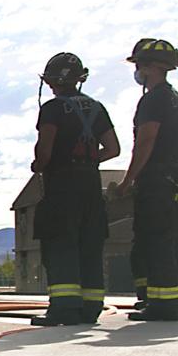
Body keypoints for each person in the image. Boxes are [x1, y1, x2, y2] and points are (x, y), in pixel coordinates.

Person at [30, 52, 120, 326]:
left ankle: (64, 309)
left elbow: (45, 149)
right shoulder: (97, 108)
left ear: (52, 81)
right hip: (91, 186)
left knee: (61, 243)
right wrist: (90, 161)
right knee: (89, 244)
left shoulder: (53, 109)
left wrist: (40, 165)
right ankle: (91, 307)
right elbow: (114, 149)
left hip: (62, 185)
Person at [116, 39, 178, 321]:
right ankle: (169, 298)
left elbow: (146, 141)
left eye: (139, 65)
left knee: (155, 238)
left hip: (157, 180)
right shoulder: (176, 99)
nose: (137, 71)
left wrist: (128, 181)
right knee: (171, 239)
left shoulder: (152, 100)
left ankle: (163, 305)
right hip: (177, 178)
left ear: (150, 68)